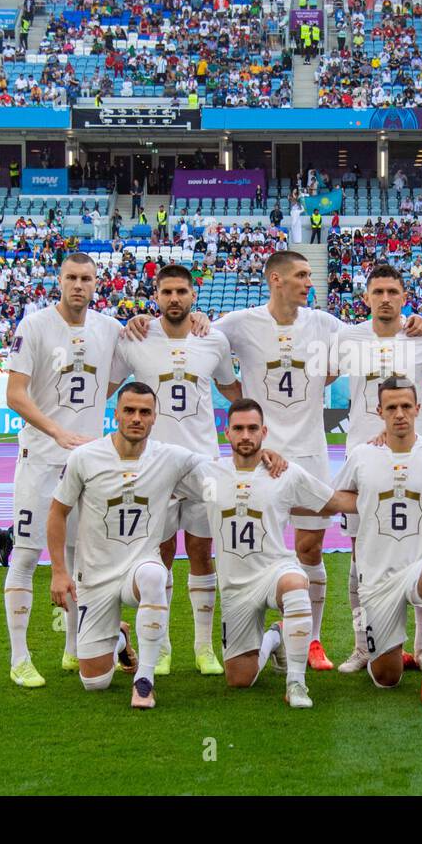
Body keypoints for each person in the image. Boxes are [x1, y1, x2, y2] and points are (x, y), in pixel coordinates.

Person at [214, 250, 422, 670]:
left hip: (309, 450)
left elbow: (373, 337)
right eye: (300, 275)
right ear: (275, 279)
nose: (309, 282)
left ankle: (310, 640)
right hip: (259, 453)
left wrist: (411, 322)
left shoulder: (327, 325)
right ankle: (260, 632)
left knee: (309, 545)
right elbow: (202, 338)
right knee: (256, 541)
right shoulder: (240, 324)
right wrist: (246, 411)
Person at [0, 253, 134, 688]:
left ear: (97, 284)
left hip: (88, 464)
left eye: (87, 279)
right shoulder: (34, 326)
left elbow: (110, 382)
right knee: (25, 553)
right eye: (72, 278)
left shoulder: (109, 329)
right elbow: (15, 395)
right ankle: (19, 658)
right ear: (59, 280)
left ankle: (74, 650)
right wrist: (56, 430)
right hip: (40, 458)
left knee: (82, 559)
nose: (79, 285)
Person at [115, 265, 243, 676]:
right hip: (154, 466)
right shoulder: (135, 336)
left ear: (193, 294)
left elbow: (231, 388)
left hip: (203, 462)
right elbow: (107, 382)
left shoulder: (213, 339)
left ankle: (204, 648)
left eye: (182, 291)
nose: (174, 298)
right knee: (161, 555)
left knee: (204, 553)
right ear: (156, 294)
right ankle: (163, 645)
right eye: (167, 291)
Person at [47, 384, 206, 710]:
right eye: (129, 410)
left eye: (144, 412)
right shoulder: (84, 458)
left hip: (138, 568)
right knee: (95, 682)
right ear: (116, 414)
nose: (136, 418)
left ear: (154, 418)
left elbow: (226, 468)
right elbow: (57, 512)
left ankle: (144, 681)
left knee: (153, 576)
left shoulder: (170, 457)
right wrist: (59, 571)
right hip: (94, 577)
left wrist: (263, 455)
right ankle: (118, 638)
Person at [328, 265, 422, 672]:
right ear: (365, 298)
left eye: (392, 291)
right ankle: (364, 644)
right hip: (364, 457)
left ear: (404, 295)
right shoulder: (347, 337)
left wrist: (418, 423)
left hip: (414, 458)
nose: (385, 298)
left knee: (418, 545)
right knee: (361, 555)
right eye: (377, 291)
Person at [313, 377, 422, 697]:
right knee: (386, 678)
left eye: (406, 406)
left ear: (418, 409)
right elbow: (339, 499)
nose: (400, 414)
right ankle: (390, 651)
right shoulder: (364, 455)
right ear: (379, 411)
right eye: (391, 407)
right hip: (378, 578)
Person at [193, 398, 332, 707]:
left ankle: (296, 682)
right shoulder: (206, 472)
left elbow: (332, 501)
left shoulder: (285, 472)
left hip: (275, 571)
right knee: (239, 680)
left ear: (264, 432)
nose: (246, 436)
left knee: (296, 583)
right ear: (226, 432)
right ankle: (275, 636)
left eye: (252, 429)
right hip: (235, 588)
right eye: (239, 429)